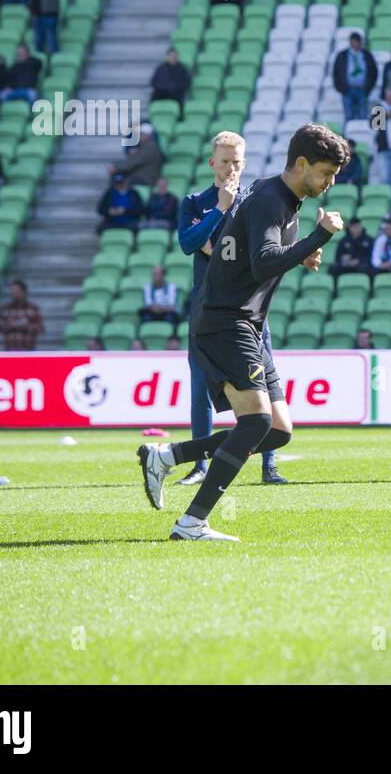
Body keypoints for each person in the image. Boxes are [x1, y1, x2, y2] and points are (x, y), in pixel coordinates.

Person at [137, 124, 349, 540]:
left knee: (277, 431)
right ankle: (191, 523)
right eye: (326, 173)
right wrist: (317, 238)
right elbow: (264, 262)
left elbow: (263, 254)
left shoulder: (277, 195)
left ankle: (167, 456)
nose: (331, 182)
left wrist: (302, 253)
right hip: (225, 321)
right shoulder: (272, 200)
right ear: (301, 164)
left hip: (246, 322)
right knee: (255, 423)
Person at [174, 132, 286, 486]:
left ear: (245, 162)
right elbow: (189, 244)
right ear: (212, 163)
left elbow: (247, 249)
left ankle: (270, 464)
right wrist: (221, 209)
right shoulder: (194, 202)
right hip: (206, 310)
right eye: (224, 162)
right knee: (200, 387)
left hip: (251, 310)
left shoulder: (255, 201)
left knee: (263, 388)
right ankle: (199, 466)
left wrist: (215, 239)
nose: (231, 168)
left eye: (237, 162)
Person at [332, 32, 378, 123]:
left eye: (357, 42)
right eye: (353, 41)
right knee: (349, 116)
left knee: (363, 116)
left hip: (362, 90)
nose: (355, 43)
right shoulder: (342, 55)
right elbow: (336, 73)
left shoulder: (367, 55)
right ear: (350, 42)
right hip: (347, 90)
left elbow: (374, 72)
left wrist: (368, 88)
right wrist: (341, 88)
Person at [0, 279, 44, 350]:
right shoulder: (5, 309)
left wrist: (26, 326)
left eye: (17, 291)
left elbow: (40, 328)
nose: (14, 294)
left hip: (27, 350)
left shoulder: (33, 309)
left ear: (24, 292)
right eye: (13, 291)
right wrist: (8, 325)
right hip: (10, 349)